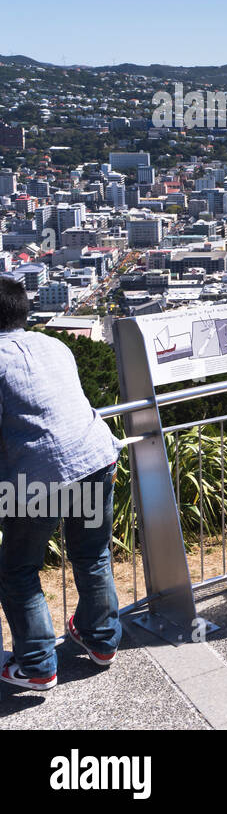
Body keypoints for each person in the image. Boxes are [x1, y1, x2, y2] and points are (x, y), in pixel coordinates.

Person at [0, 277, 122, 690]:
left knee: (18, 569)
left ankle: (37, 665)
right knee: (92, 555)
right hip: (92, 457)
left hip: (37, 477)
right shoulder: (55, 345)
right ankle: (101, 640)